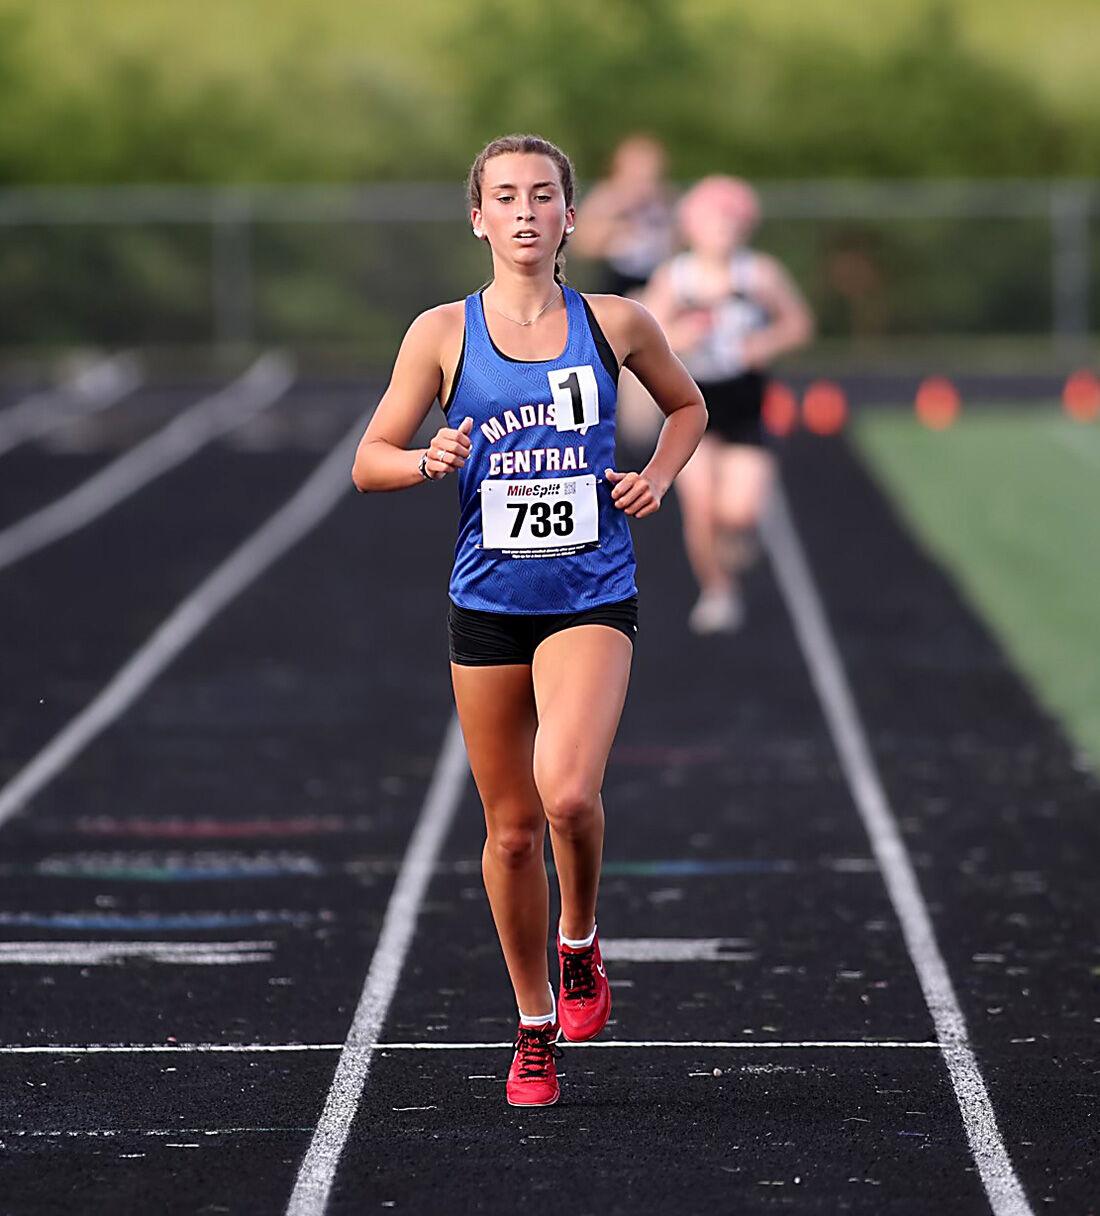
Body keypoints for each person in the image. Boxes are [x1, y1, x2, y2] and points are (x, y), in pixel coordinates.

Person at [351, 134, 706, 1107]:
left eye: (540, 195)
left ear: (569, 217)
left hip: (590, 592)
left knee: (569, 795)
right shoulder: (441, 334)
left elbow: (685, 407)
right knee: (510, 834)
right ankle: (533, 1021)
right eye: (502, 196)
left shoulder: (617, 322)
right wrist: (429, 458)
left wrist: (657, 477)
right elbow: (366, 458)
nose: (521, 211)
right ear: (477, 217)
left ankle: (581, 938)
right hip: (488, 602)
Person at [644, 176, 814, 634]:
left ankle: (735, 543)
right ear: (692, 226)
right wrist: (681, 337)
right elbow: (646, 337)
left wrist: (765, 342)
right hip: (690, 403)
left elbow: (798, 323)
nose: (722, 230)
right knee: (699, 506)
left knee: (737, 511)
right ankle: (717, 590)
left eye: (730, 221)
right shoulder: (674, 278)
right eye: (712, 220)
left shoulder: (759, 274)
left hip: (745, 403)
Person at [572, 134, 678, 452]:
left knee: (651, 353)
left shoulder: (666, 200)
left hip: (653, 286)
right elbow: (582, 242)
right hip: (614, 284)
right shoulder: (609, 199)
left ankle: (645, 428)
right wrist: (618, 225)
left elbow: (680, 241)